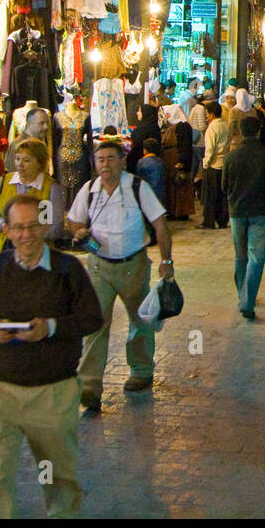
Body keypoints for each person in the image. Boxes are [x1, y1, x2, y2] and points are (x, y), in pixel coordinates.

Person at [0, 194, 104, 517]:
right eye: (18, 228)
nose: (25, 235)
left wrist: (52, 327)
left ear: (44, 227)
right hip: (1, 394)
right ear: (8, 230)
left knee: (59, 477)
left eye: (32, 226)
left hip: (52, 395)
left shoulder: (67, 269)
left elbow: (92, 319)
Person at [66, 140, 175, 410]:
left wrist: (166, 260)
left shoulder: (137, 187)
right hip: (98, 267)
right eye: (100, 159)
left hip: (133, 265)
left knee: (140, 321)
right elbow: (75, 220)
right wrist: (78, 232)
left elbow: (160, 224)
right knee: (95, 325)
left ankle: (141, 371)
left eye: (111, 158)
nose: (105, 164)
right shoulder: (89, 190)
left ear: (122, 161)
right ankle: (90, 387)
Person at [224, 115, 265, 320]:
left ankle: (243, 295)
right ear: (259, 131)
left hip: (237, 211)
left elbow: (224, 187)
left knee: (240, 256)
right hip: (260, 211)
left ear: (241, 132)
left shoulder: (231, 157)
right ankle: (247, 301)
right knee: (256, 257)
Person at [0, 137, 66, 250]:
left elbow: (55, 228)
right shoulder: (4, 181)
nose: (20, 164)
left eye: (26, 160)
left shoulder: (50, 188)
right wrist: (4, 225)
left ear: (39, 163)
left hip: (37, 252)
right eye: (17, 159)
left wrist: (27, 234)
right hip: (4, 250)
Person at [200, 101, 230, 229]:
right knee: (222, 195)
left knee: (210, 195)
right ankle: (222, 220)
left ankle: (209, 221)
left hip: (213, 165)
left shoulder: (212, 128)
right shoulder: (225, 125)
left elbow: (210, 149)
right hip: (224, 163)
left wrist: (206, 164)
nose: (206, 116)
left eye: (207, 113)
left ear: (211, 114)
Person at [160, 118, 195, 221]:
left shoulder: (181, 127)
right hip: (171, 161)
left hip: (176, 161)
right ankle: (174, 212)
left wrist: (182, 161)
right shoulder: (175, 127)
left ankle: (180, 212)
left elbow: (185, 145)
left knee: (179, 186)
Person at [126, 105, 162, 175]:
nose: (137, 113)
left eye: (139, 111)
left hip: (140, 167)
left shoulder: (142, 130)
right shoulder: (155, 128)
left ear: (146, 113)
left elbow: (136, 147)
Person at [134, 138, 166, 206]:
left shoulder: (141, 162)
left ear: (145, 150)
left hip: (146, 192)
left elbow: (139, 176)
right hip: (159, 191)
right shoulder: (160, 161)